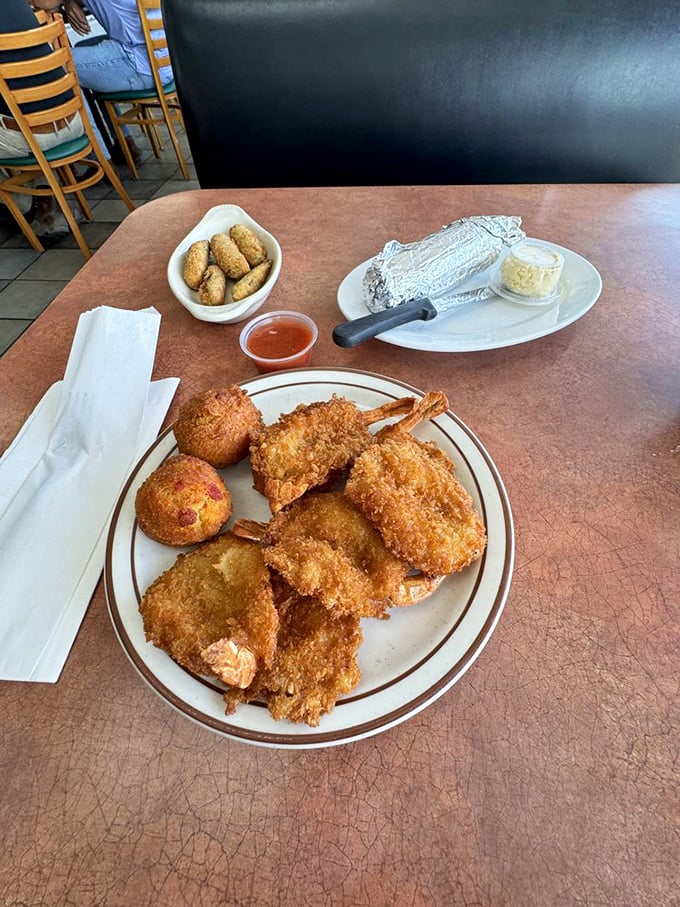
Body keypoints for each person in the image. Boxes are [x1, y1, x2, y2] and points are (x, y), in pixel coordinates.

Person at [32, 0, 175, 165]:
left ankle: (99, 160)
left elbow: (46, 2)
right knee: (83, 60)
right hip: (168, 61)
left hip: (139, 64)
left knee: (57, 64)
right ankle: (124, 143)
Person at [0, 0, 86, 235]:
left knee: (17, 113)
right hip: (73, 119)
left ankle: (29, 205)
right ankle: (44, 194)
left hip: (31, 136)